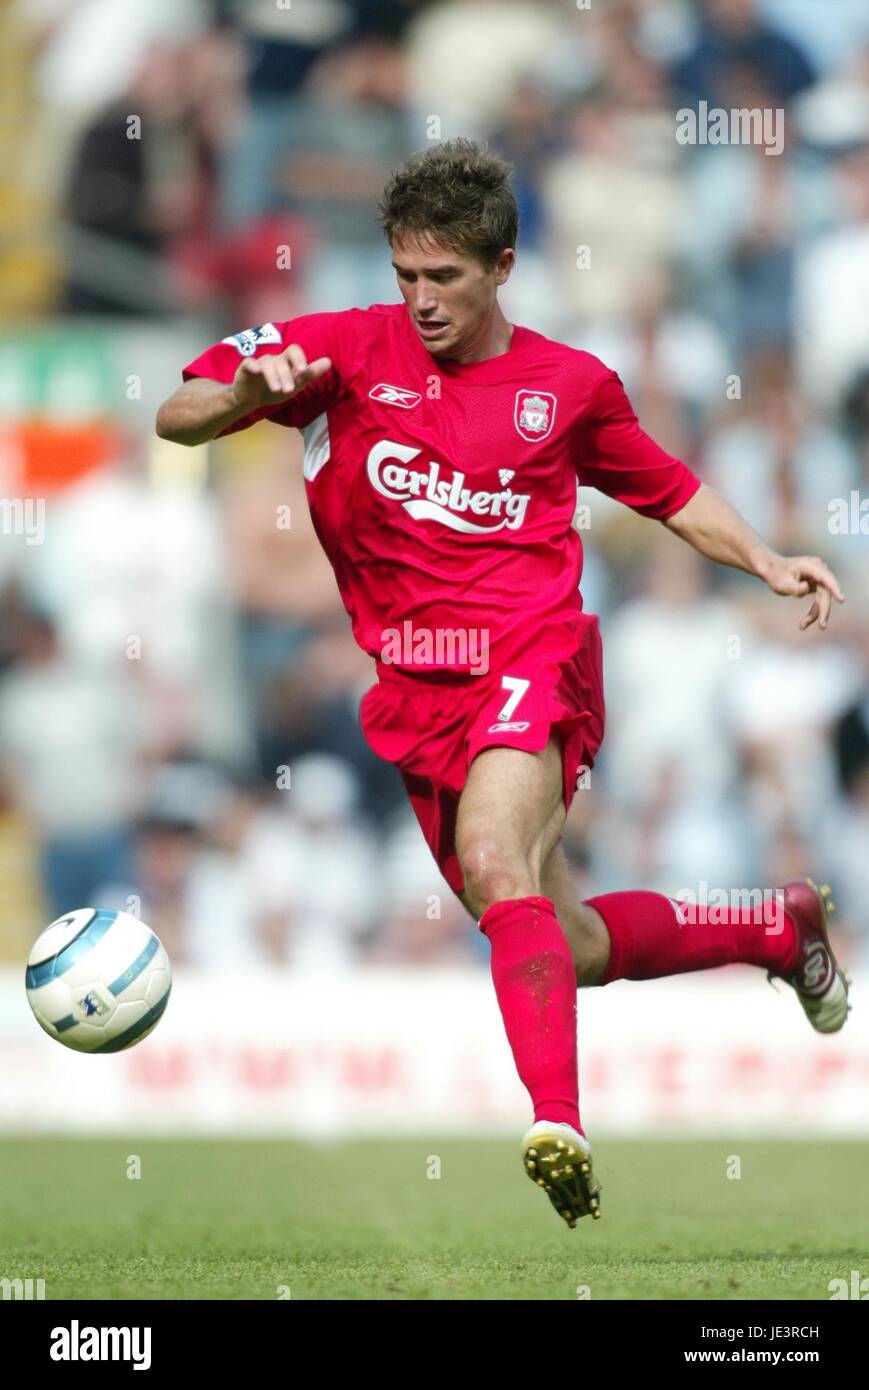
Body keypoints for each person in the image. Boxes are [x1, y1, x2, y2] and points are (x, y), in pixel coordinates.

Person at [155, 139, 849, 1230]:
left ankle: (556, 1119)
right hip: (411, 692)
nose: (421, 300)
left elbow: (667, 489)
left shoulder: (569, 386)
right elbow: (176, 410)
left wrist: (764, 558)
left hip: (533, 657)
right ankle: (772, 926)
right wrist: (246, 388)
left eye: (446, 278)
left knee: (491, 857)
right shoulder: (333, 350)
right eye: (405, 276)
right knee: (550, 933)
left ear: (504, 265)